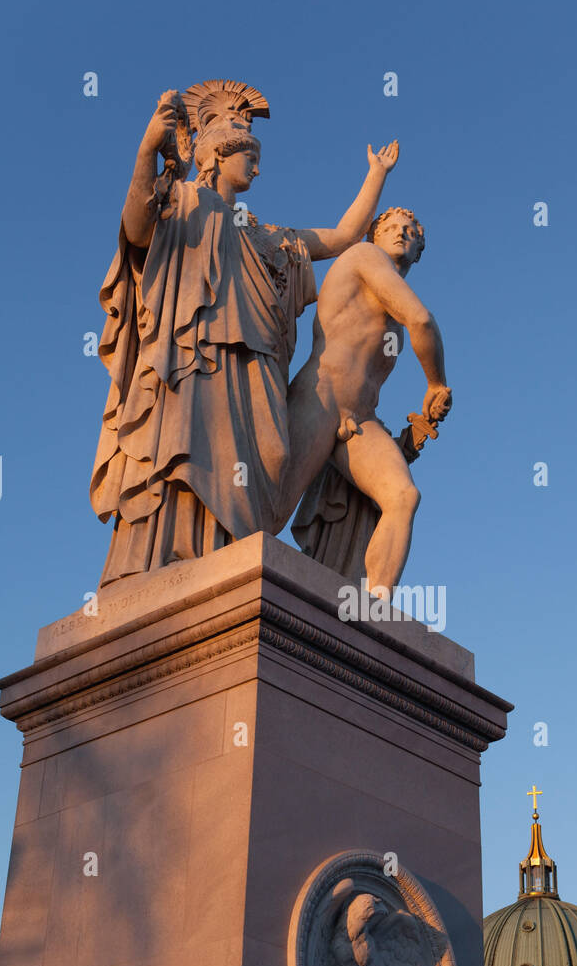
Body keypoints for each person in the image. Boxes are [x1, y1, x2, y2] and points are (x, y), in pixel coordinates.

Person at [89, 79, 399, 586]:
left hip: (258, 375)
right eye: (248, 153)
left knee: (249, 484)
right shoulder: (187, 201)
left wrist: (376, 176)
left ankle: (229, 562)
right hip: (196, 361)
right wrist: (148, 149)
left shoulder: (271, 237)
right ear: (216, 154)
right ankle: (170, 558)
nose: (256, 164)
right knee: (185, 454)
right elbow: (137, 227)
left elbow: (343, 237)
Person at [288, 207, 451, 594]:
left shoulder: (389, 295)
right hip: (320, 395)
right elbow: (422, 321)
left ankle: (375, 602)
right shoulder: (365, 257)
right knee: (270, 510)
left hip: (361, 418)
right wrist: (436, 384)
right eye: (391, 227)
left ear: (419, 250)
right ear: (373, 236)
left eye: (410, 231)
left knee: (402, 495)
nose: (401, 233)